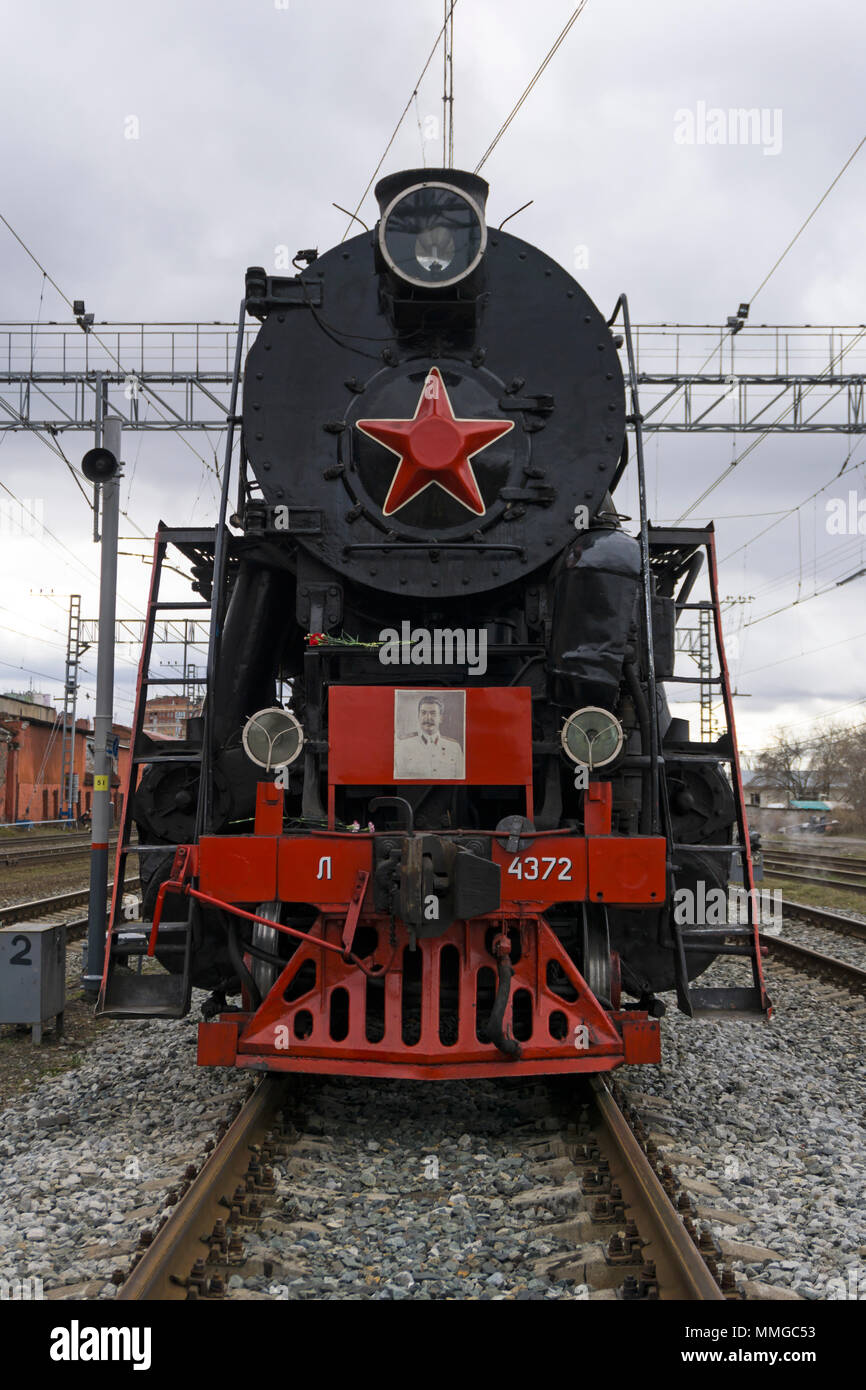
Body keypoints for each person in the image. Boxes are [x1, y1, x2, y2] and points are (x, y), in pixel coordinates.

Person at [394, 694, 464, 779]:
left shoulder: (454, 747)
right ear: (418, 716)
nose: (428, 718)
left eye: (433, 713)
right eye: (423, 713)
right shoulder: (403, 746)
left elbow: (460, 780)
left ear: (441, 718)